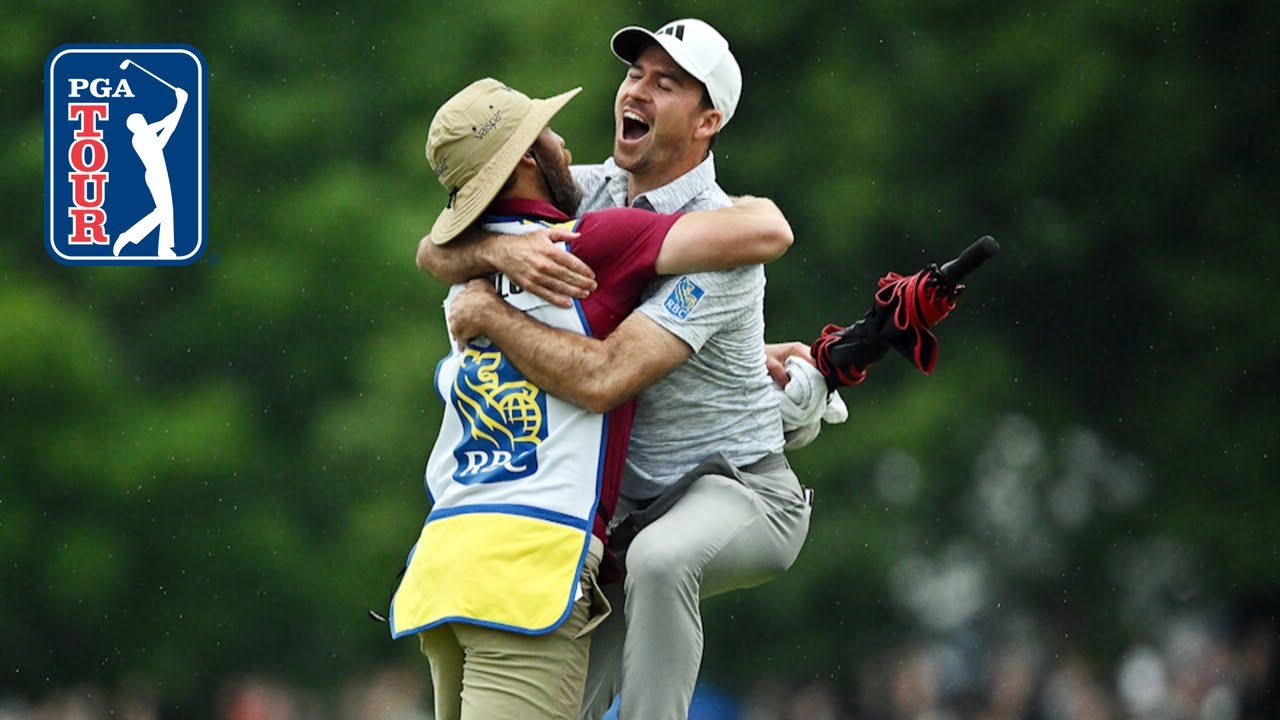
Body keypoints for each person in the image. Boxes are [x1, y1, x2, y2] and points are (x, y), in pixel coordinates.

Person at [420, 20, 815, 720]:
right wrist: (502, 254)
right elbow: (437, 244)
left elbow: (606, 377)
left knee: (662, 562)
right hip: (620, 528)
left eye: (666, 84)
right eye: (635, 74)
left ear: (709, 120)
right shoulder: (590, 193)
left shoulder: (724, 235)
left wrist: (488, 303)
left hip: (742, 489)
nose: (636, 89)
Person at [113, 85, 187, 258]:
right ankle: (129, 236)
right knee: (163, 211)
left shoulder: (148, 135)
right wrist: (181, 103)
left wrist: (180, 105)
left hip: (159, 172)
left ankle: (162, 248)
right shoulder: (140, 137)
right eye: (140, 120)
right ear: (135, 126)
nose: (144, 121)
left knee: (165, 211)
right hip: (155, 174)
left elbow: (168, 131)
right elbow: (166, 123)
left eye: (143, 119)